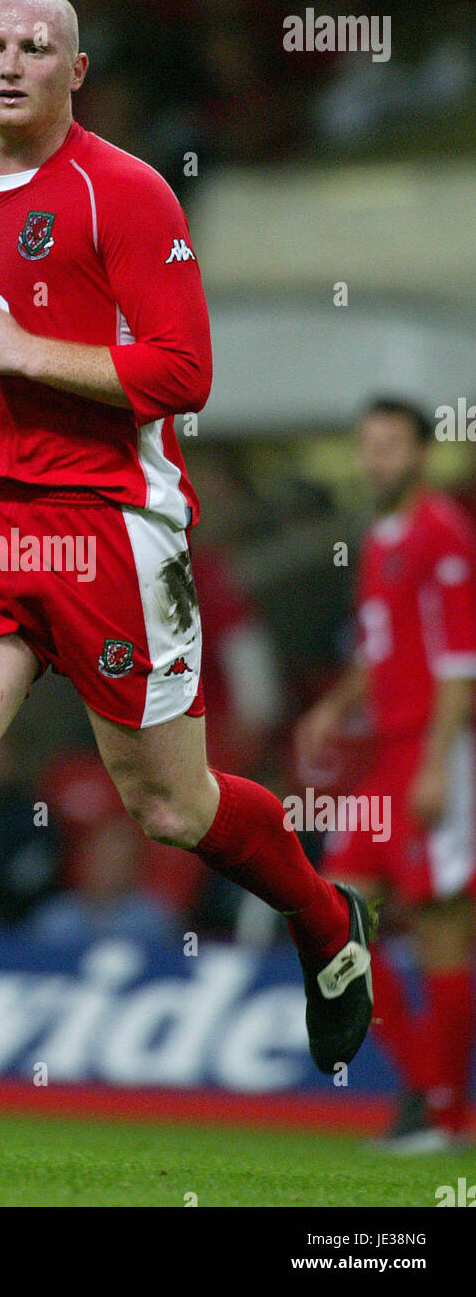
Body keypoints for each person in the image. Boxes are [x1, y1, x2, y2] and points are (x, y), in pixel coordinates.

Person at [0, 0, 374, 1149]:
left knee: (170, 804)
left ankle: (322, 919)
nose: (15, 63)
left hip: (106, 523)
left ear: (76, 72)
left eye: (40, 46)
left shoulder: (127, 191)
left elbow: (181, 372)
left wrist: (25, 349)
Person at [298, 399, 476, 1152]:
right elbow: (379, 649)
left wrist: (436, 765)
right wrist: (330, 708)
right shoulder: (379, 539)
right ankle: (423, 1090)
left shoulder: (443, 534)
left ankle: (437, 1115)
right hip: (381, 759)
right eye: (365, 446)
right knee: (333, 920)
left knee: (439, 929)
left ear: (420, 454)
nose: (375, 460)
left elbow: (460, 662)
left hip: (433, 752)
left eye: (389, 446)